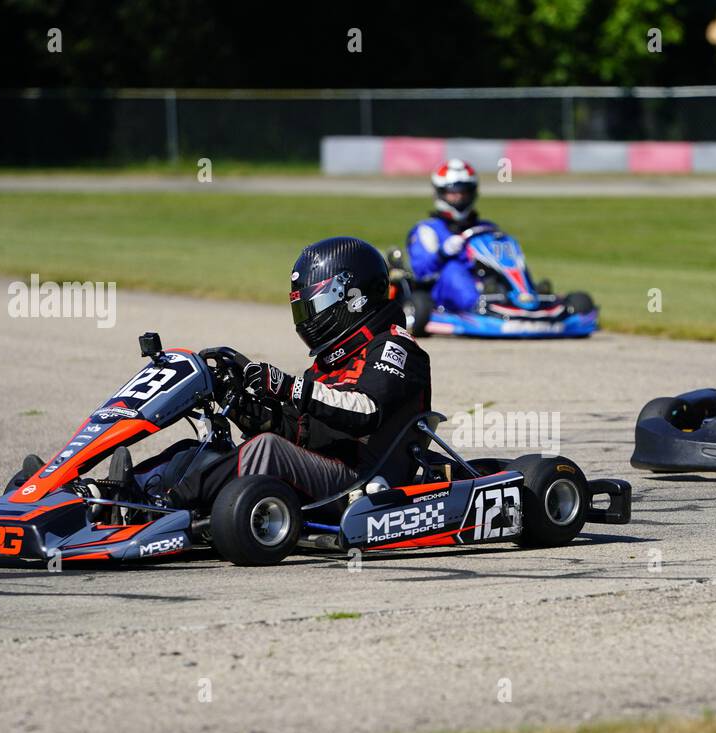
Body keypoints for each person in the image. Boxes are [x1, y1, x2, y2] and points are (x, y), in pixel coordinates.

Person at [117, 237, 433, 510]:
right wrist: (248, 409)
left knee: (266, 448)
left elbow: (367, 411)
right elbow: (304, 432)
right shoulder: (330, 361)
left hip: (361, 481)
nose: (307, 319)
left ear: (352, 298)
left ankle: (167, 506)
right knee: (194, 450)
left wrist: (289, 387)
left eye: (314, 305)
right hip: (326, 468)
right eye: (302, 308)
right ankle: (124, 494)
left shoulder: (394, 347)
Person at [404, 159, 497, 313]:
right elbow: (421, 271)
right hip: (442, 291)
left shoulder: (486, 227)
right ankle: (478, 307)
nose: (459, 197)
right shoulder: (427, 229)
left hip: (484, 281)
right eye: (453, 193)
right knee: (453, 269)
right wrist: (442, 253)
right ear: (440, 193)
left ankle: (526, 299)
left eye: (464, 192)